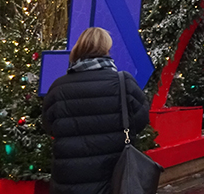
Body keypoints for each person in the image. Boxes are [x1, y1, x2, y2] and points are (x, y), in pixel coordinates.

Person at [42, 27, 149, 194]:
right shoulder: (123, 82)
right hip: (113, 175)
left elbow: (49, 125)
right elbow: (140, 119)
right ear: (106, 49)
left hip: (69, 179)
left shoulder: (59, 87)